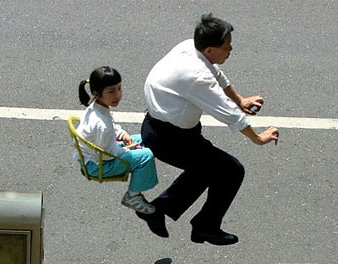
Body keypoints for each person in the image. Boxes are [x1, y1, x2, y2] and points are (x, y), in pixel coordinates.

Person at [138, 13, 279, 245]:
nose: (231, 50)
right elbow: (228, 113)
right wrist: (258, 138)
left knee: (207, 169)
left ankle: (157, 210)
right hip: (170, 139)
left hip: (163, 128)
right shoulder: (196, 77)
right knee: (231, 170)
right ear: (210, 49)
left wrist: (241, 99)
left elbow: (219, 76)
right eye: (227, 46)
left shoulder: (190, 47)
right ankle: (205, 226)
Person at [75, 67, 159, 214]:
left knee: (143, 139)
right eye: (111, 91)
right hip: (97, 165)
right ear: (96, 93)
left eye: (119, 88)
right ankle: (133, 196)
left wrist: (122, 134)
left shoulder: (96, 107)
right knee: (146, 156)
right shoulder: (102, 125)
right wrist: (127, 149)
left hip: (94, 155)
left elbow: (112, 129)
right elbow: (107, 153)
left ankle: (140, 171)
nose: (118, 95)